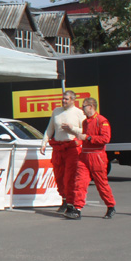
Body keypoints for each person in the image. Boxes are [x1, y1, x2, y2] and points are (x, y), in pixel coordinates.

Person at [40, 89, 85, 217]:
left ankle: (71, 203)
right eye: (63, 98)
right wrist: (44, 142)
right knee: (59, 176)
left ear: (73, 100)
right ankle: (64, 200)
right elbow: (50, 129)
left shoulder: (79, 113)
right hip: (58, 148)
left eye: (66, 99)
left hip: (71, 148)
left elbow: (84, 130)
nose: (63, 101)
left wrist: (72, 128)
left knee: (69, 177)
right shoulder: (56, 111)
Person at [69, 97, 116, 219]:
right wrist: (79, 141)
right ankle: (77, 209)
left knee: (101, 184)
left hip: (97, 156)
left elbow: (105, 139)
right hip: (84, 155)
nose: (82, 109)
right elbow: (85, 138)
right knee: (80, 183)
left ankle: (110, 206)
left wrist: (88, 138)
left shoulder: (102, 121)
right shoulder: (85, 122)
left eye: (84, 106)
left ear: (91, 107)